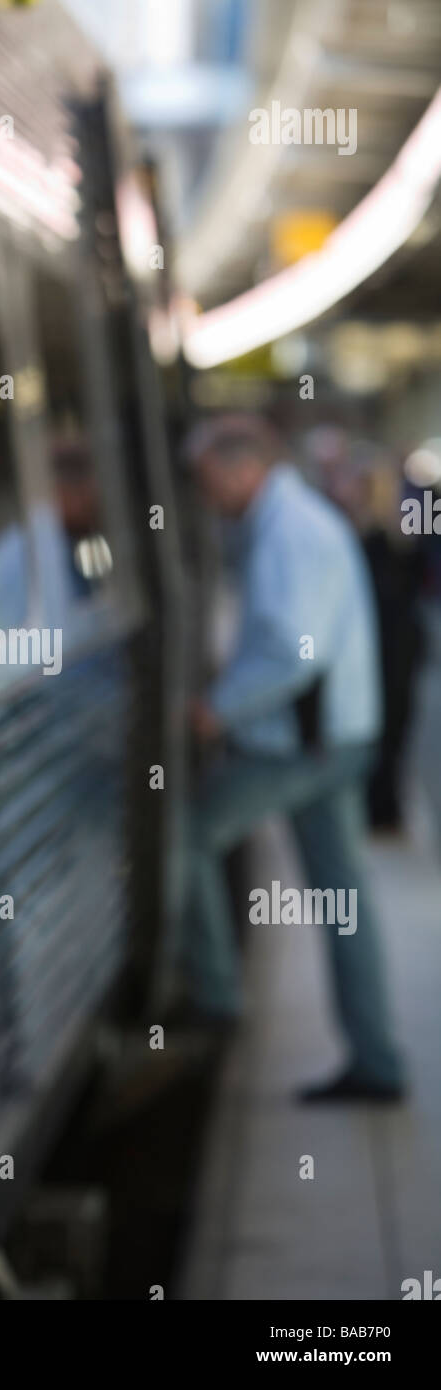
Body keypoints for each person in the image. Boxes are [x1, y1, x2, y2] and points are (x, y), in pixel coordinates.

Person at [180, 414, 405, 1103]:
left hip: (304, 746)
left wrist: (219, 707)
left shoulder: (291, 532)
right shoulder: (289, 523)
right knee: (344, 903)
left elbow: (291, 652)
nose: (204, 496)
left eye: (208, 481)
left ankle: (214, 1000)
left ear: (242, 468)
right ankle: (377, 1063)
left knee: (184, 836)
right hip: (329, 740)